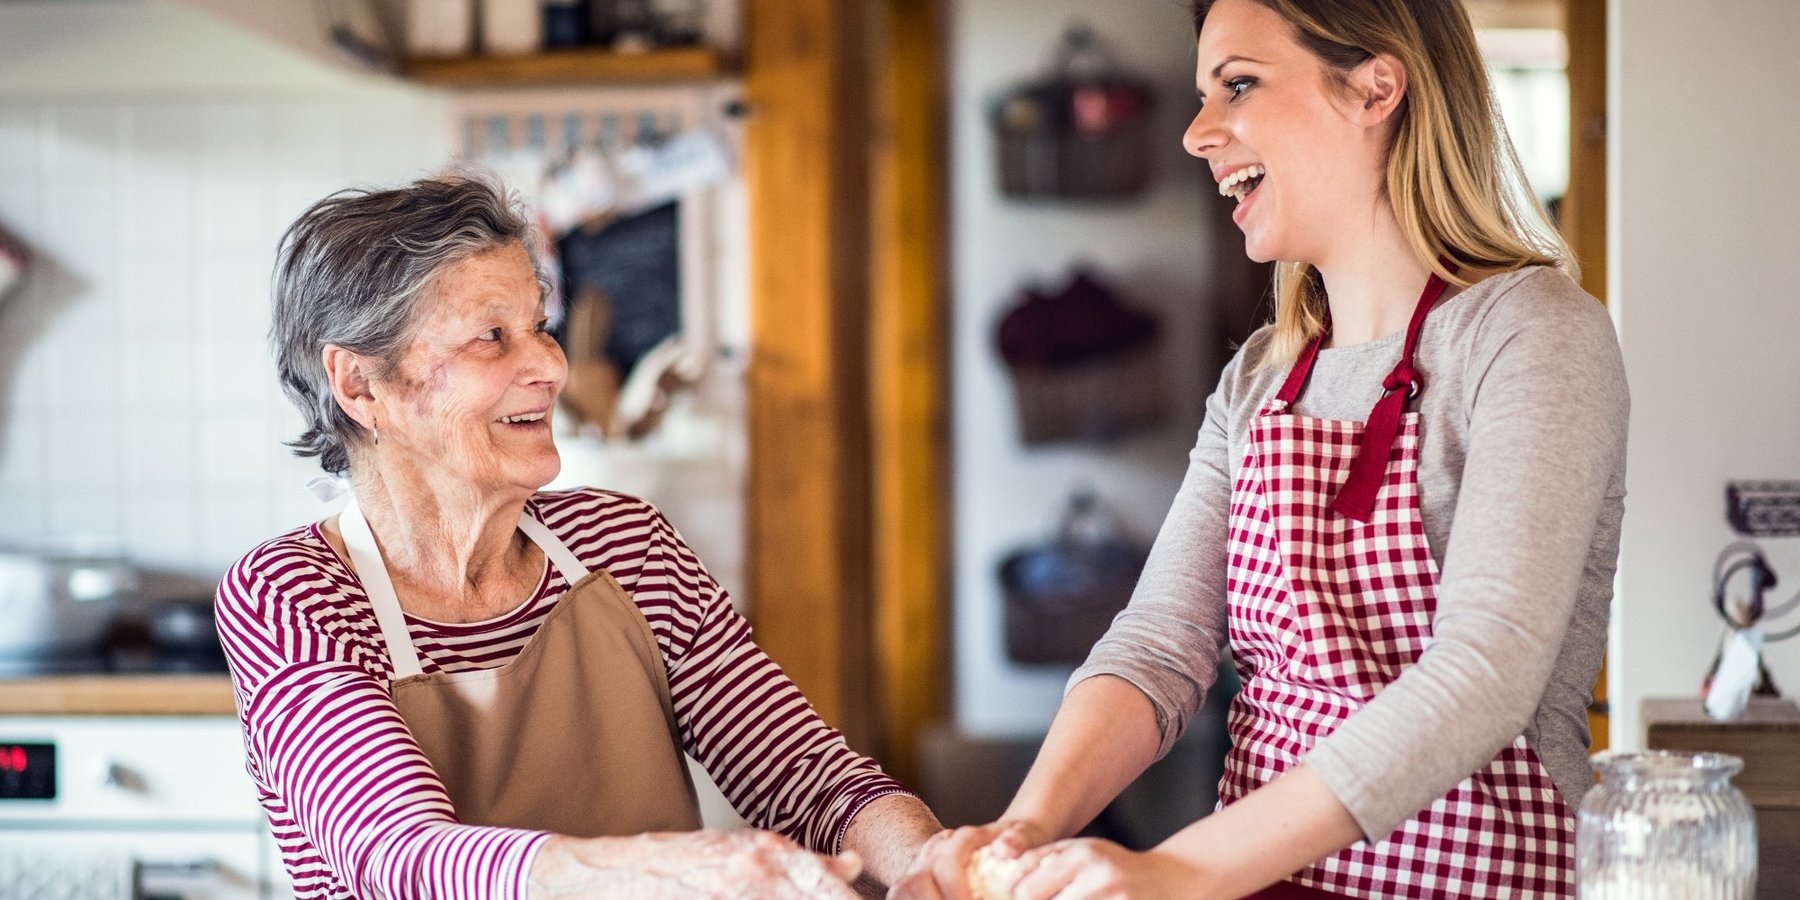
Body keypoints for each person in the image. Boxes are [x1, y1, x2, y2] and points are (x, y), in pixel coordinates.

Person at [893, 1, 1626, 898]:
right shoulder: (1260, 378)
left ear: (1374, 87)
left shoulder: (1532, 333)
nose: (1198, 133)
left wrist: (1172, 871)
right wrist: (1020, 832)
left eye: (1237, 85)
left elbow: (1483, 673)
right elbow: (1159, 649)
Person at [216, 172, 941, 899]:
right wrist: (671, 869)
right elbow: (402, 854)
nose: (550, 365)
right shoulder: (289, 597)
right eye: (492, 336)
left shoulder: (626, 544)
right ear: (360, 385)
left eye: (539, 326)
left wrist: (929, 860)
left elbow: (806, 779)